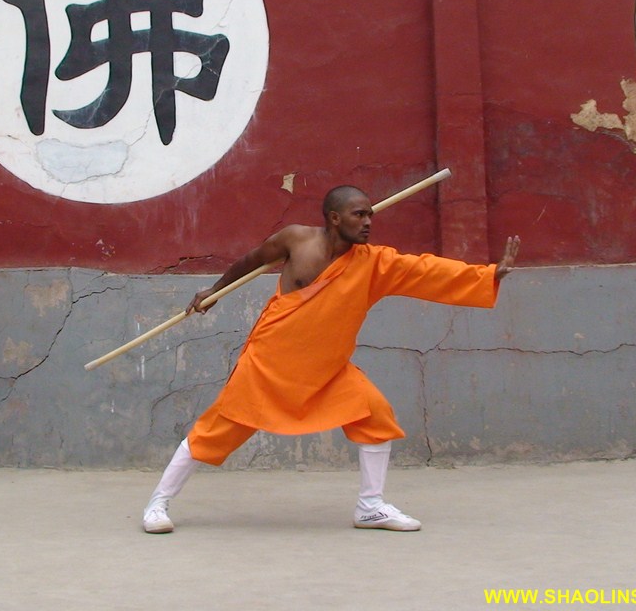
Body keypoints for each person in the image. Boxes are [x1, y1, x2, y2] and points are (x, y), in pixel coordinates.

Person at [142, 184, 520, 534]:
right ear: (335, 218)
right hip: (269, 363)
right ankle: (158, 504)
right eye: (359, 214)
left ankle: (370, 507)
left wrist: (488, 275)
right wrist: (214, 291)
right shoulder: (295, 239)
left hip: (328, 369)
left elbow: (424, 270)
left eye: (370, 214)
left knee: (375, 416)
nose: (368, 222)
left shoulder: (374, 262)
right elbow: (250, 260)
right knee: (214, 431)